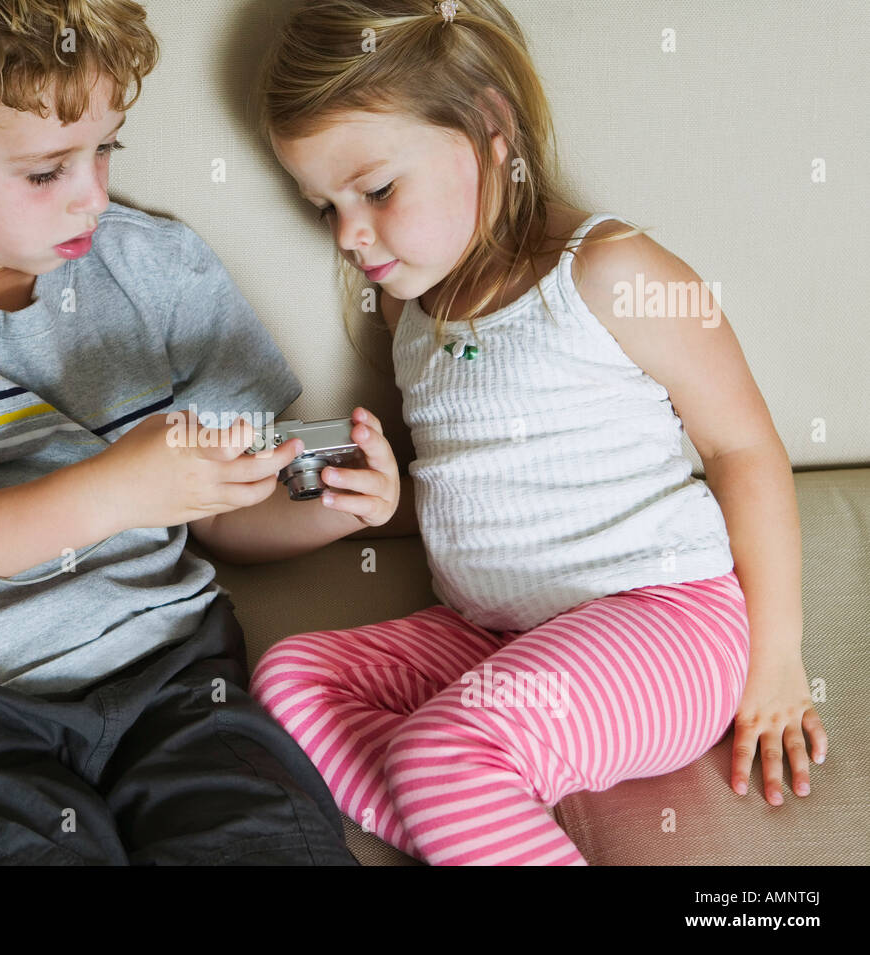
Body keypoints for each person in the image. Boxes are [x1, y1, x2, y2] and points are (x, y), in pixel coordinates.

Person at [0, 0, 405, 865]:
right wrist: (109, 493)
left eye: (105, 148)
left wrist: (333, 510)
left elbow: (225, 517)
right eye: (46, 171)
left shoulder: (158, 269)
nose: (93, 194)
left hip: (173, 680)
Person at [249, 0, 828, 865]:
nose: (347, 234)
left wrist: (778, 654)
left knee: (437, 752)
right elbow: (467, 484)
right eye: (323, 206)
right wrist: (385, 498)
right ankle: (478, 816)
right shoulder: (415, 319)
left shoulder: (607, 270)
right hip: (494, 633)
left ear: (490, 126)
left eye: (375, 190)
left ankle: (463, 788)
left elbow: (743, 448)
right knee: (288, 680)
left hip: (662, 622)